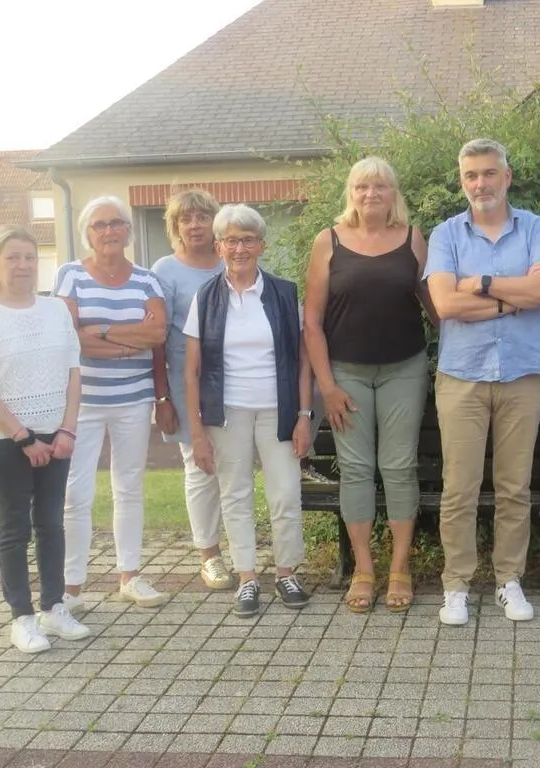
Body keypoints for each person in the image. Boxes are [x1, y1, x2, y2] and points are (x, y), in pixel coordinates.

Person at [424, 138, 540, 625]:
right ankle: (456, 585)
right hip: (462, 375)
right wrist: (513, 296)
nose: (480, 183)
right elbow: (445, 305)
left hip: (523, 373)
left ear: (507, 176)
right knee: (458, 488)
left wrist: (479, 284)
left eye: (488, 173)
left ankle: (509, 580)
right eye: (470, 176)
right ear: (462, 181)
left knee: (514, 487)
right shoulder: (445, 234)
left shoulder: (536, 228)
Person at [304, 157, 434, 613]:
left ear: (393, 191)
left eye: (380, 185)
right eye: (362, 186)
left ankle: (400, 566)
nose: (370, 193)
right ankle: (363, 568)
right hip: (346, 373)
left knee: (398, 467)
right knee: (356, 470)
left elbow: (436, 307)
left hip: (405, 368)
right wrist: (327, 385)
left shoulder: (413, 238)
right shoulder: (328, 242)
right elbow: (313, 321)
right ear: (350, 192)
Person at [0, 227, 91, 652]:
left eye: (30, 257)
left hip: (58, 437)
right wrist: (23, 438)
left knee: (51, 523)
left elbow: (73, 372)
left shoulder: (55, 311)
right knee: (14, 527)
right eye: (13, 257)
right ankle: (22, 617)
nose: (23, 265)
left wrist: (67, 430)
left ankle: (54, 608)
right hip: (5, 440)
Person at [184, 204, 313, 617]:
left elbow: (302, 360)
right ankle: (247, 578)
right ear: (219, 245)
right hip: (227, 413)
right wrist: (198, 432)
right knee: (234, 495)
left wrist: (305, 416)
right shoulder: (205, 298)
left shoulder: (284, 292)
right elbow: (192, 371)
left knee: (286, 493)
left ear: (262, 244)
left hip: (279, 410)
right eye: (231, 240)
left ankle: (288, 572)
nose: (240, 248)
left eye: (248, 240)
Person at [54, 196, 169, 610]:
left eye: (117, 223)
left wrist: (98, 331)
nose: (109, 231)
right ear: (88, 232)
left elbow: (156, 336)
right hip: (80, 403)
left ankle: (130, 575)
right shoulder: (69, 275)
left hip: (133, 400)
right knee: (75, 492)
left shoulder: (146, 280)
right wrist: (126, 338)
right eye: (100, 224)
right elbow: (68, 338)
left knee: (129, 486)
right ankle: (70, 587)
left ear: (127, 230)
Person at [150, 190, 231, 591]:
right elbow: (157, 339)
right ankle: (209, 555)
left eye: (202, 217)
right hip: (186, 383)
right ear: (175, 226)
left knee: (232, 464)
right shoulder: (165, 270)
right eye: (186, 219)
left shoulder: (231, 260)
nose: (195, 225)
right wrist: (162, 397)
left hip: (235, 381)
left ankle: (243, 550)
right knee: (200, 466)